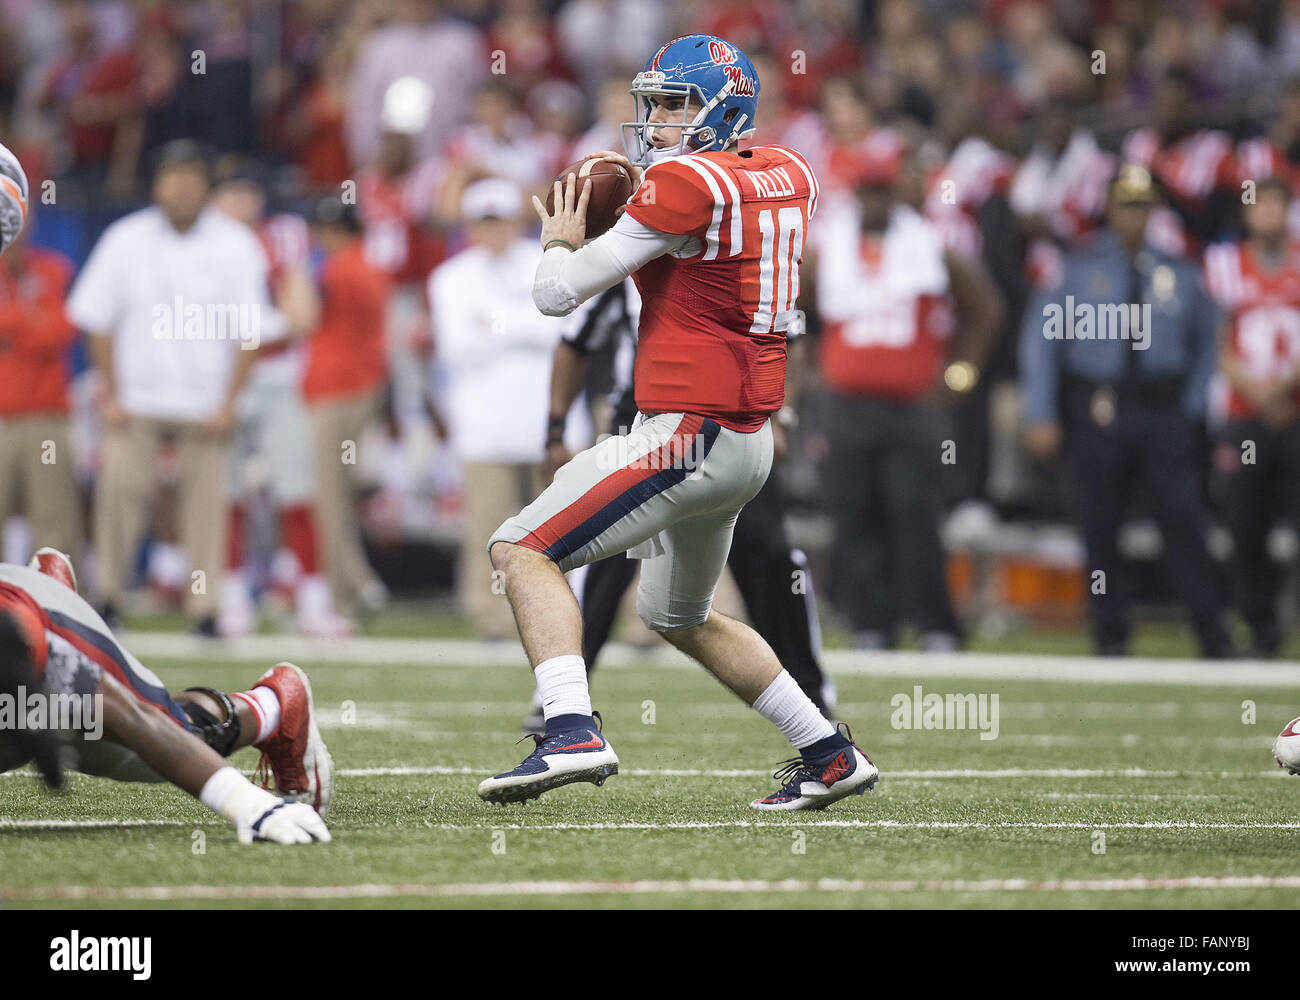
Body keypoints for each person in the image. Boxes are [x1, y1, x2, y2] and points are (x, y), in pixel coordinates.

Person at [481, 35, 877, 811]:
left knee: (521, 549)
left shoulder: (689, 184)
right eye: (654, 102)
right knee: (677, 614)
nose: (657, 118)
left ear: (721, 109)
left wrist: (562, 241)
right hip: (746, 441)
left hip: (686, 433)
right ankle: (830, 752)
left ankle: (570, 730)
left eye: (675, 103)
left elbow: (558, 296)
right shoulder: (790, 170)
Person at [522, 273, 835, 734]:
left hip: (730, 420)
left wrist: (781, 416)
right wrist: (554, 429)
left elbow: (790, 334)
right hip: (641, 422)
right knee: (604, 558)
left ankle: (810, 694)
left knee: (766, 555)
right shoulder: (634, 248)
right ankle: (563, 700)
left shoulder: (741, 251)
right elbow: (572, 336)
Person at [66, 140, 282, 635]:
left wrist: (231, 401)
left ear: (207, 186)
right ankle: (110, 597)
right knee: (119, 493)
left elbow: (251, 329)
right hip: (136, 399)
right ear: (156, 184)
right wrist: (111, 392)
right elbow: (96, 320)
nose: (180, 187)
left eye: (190, 177)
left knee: (207, 508)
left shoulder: (234, 243)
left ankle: (203, 611)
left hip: (206, 401)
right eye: (171, 176)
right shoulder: (126, 238)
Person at [1019, 164, 1230, 658]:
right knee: (1099, 522)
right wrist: (1041, 411)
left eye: (1142, 205)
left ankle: (1210, 629)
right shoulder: (1079, 266)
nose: (1133, 216)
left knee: (1181, 518)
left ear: (1153, 210)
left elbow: (1208, 340)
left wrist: (1194, 406)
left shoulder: (1178, 270)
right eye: (1124, 205)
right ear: (1110, 209)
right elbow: (1042, 341)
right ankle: (1110, 633)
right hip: (1099, 406)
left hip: (1163, 408)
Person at [0, 548, 331, 844]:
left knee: (146, 745)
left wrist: (249, 804)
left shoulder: (26, 653)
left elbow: (131, 716)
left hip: (37, 629)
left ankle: (272, 707)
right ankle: (53, 591)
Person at [811, 144, 1002, 651]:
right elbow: (789, 312)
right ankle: (871, 621)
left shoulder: (928, 246)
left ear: (895, 192)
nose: (875, 201)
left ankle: (935, 623)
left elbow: (986, 306)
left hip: (914, 406)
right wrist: (808, 370)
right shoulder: (828, 249)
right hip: (847, 404)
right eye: (867, 190)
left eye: (883, 190)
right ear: (857, 193)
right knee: (855, 513)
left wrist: (961, 374)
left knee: (915, 513)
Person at [430, 178, 564, 640]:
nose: (494, 232)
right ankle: (490, 621)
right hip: (484, 425)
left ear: (516, 222)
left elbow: (562, 331)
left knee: (558, 529)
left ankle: (557, 618)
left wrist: (493, 322)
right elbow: (457, 347)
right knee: (486, 531)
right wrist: (526, 322)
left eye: (501, 221)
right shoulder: (450, 277)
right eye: (485, 223)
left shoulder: (548, 264)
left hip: (546, 422)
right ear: (472, 227)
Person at [1204, 177, 1300, 656]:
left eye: (1277, 205)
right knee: (1245, 524)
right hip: (1245, 413)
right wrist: (1257, 389)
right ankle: (1259, 626)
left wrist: (1282, 387)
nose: (1268, 215)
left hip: (1294, 411)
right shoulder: (1224, 265)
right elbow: (1214, 338)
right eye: (1260, 206)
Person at [302, 196, 391, 625]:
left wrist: (293, 274)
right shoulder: (371, 268)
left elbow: (301, 317)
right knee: (338, 494)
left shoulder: (337, 269)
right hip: (361, 387)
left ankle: (346, 595)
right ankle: (357, 582)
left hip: (337, 389)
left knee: (330, 496)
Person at [0, 206, 82, 559]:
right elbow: (41, 327)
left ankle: (56, 608)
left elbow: (61, 330)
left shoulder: (54, 269)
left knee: (55, 523)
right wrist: (28, 319)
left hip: (45, 418)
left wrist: (7, 325)